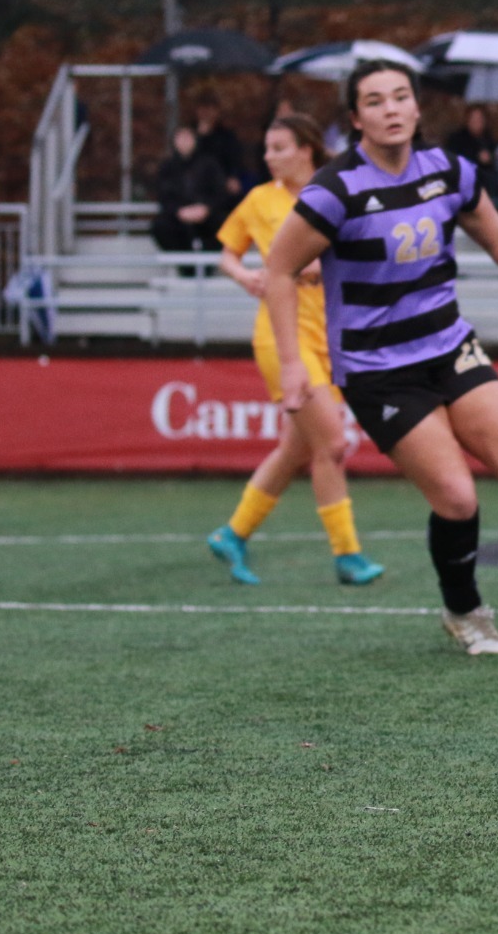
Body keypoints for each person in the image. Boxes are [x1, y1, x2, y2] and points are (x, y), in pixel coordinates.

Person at [263, 59, 498, 655]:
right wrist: (292, 362)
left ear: (416, 106)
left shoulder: (449, 170)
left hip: (450, 346)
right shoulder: (334, 191)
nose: (391, 109)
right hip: (380, 372)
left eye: (400, 96)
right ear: (355, 118)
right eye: (375, 101)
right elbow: (278, 271)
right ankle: (464, 613)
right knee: (457, 499)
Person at [206, 113, 385, 587]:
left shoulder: (334, 193)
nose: (269, 157)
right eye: (267, 148)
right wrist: (243, 275)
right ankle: (347, 555)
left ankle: (232, 534)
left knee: (296, 448)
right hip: (281, 336)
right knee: (332, 443)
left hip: (331, 336)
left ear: (307, 149)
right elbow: (227, 253)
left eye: (279, 147)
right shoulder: (259, 200)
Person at [151, 127, 230, 256]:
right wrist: (179, 211)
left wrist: (206, 208)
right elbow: (163, 195)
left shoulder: (209, 164)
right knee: (162, 227)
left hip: (207, 216)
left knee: (224, 225)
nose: (184, 142)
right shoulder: (167, 167)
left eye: (188, 138)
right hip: (177, 217)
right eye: (180, 138)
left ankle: (209, 263)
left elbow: (220, 193)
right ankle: (184, 264)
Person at [443, 103, 498, 206]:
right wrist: (477, 158)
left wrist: (490, 159)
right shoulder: (456, 139)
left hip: (486, 184)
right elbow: (452, 160)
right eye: (473, 119)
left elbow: (495, 160)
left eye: (480, 119)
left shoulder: (488, 140)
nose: (476, 122)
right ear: (467, 120)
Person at [192, 93, 246, 197]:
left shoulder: (226, 135)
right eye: (203, 110)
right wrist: (200, 137)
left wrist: (233, 176)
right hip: (196, 181)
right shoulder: (190, 134)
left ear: (217, 111)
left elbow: (235, 159)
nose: (206, 114)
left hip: (221, 182)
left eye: (210, 109)